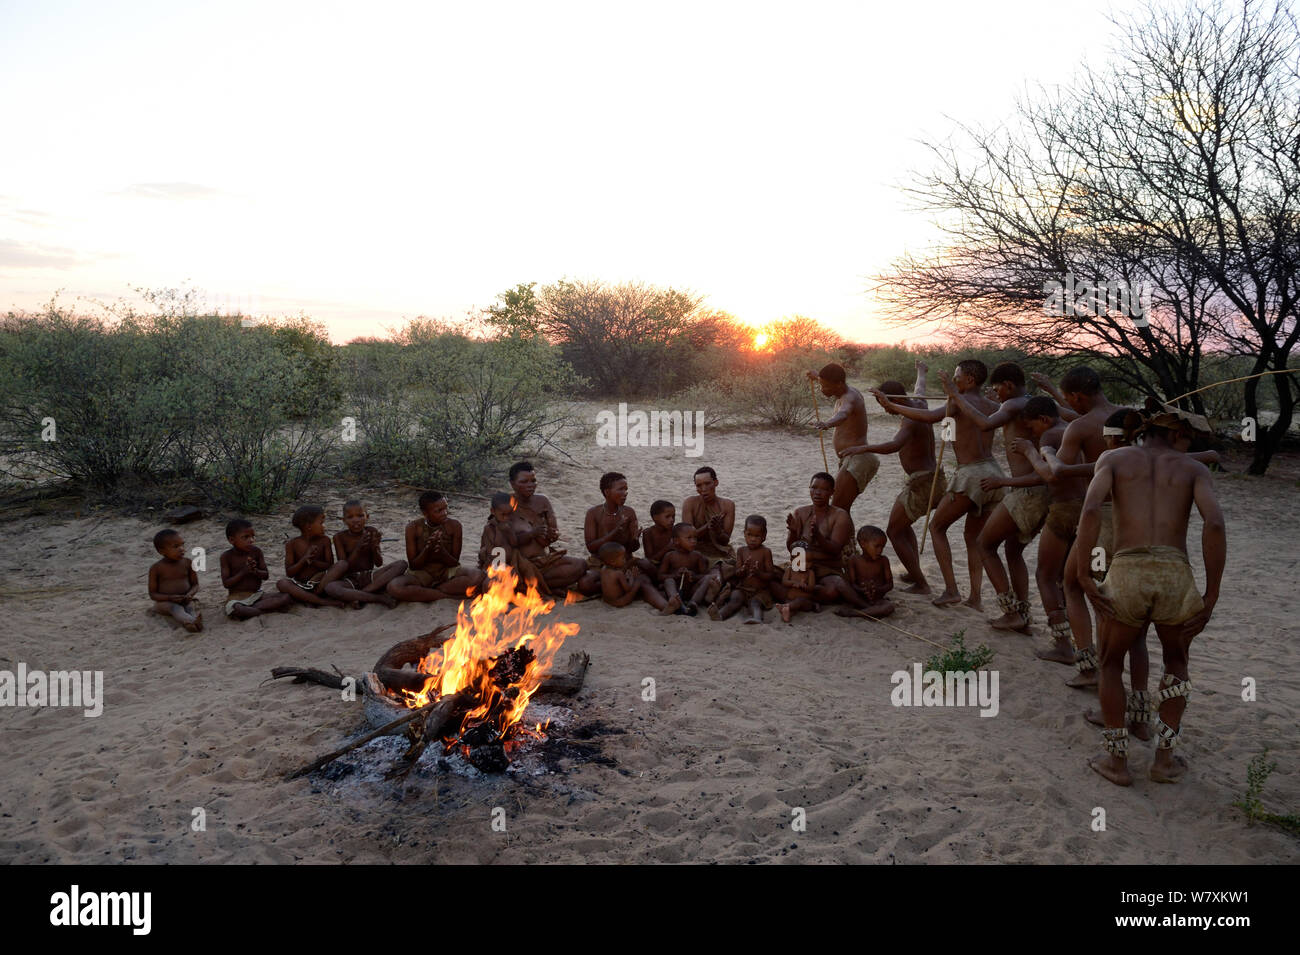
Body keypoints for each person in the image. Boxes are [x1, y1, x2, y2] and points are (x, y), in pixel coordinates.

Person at [1077, 404, 1225, 786]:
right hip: (1175, 572)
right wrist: (1211, 593)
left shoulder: (1113, 458)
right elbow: (1214, 522)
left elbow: (1092, 507)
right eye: (1188, 437)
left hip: (1128, 569)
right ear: (1177, 434)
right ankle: (1163, 760)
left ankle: (1117, 761)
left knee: (1111, 664)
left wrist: (1083, 573)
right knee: (1176, 664)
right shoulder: (1194, 469)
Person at [872, 359, 1001, 608]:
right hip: (993, 472)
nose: (953, 380)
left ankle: (951, 590)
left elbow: (929, 416)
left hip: (971, 474)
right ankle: (975, 597)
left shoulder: (957, 401)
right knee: (973, 538)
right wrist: (921, 372)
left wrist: (892, 406)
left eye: (957, 376)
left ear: (970, 380)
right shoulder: (991, 403)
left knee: (937, 528)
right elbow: (922, 398)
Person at [1030, 366, 1121, 688]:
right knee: (1102, 589)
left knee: (1078, 586)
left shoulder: (1081, 427)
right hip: (1134, 517)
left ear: (1078, 397)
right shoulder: (1129, 417)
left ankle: (1090, 666)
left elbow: (1058, 473)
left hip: (1098, 516)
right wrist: (1055, 391)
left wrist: (1040, 453)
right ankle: (1101, 669)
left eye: (1070, 400)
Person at [967, 393, 1062, 632]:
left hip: (1028, 495)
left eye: (1031, 426)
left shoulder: (1028, 417)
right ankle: (1022, 613)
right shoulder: (1062, 423)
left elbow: (985, 423)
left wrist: (955, 395)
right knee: (1013, 550)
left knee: (984, 545)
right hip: (1044, 498)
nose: (1030, 430)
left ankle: (1011, 612)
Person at [504, 462, 595, 595]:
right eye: (524, 482)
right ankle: (541, 586)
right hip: (520, 565)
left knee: (580, 565)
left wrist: (552, 535)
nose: (530, 485)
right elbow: (502, 541)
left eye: (533, 481)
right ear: (512, 484)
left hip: (545, 561)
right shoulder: (505, 505)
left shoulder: (542, 501)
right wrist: (531, 534)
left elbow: (552, 534)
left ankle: (538, 586)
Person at [783, 472, 869, 609]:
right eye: (814, 488)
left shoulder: (840, 516)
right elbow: (793, 549)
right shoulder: (800, 512)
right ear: (809, 489)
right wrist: (793, 533)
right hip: (801, 568)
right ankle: (807, 596)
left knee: (832, 590)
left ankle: (804, 595)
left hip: (827, 568)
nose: (817, 492)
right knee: (771, 579)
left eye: (824, 489)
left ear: (832, 492)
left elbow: (835, 551)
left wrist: (818, 536)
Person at [386, 492, 485, 602]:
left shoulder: (454, 526)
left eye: (446, 508)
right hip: (421, 574)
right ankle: (449, 596)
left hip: (447, 573)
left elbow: (454, 563)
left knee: (478, 576)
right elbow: (414, 565)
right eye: (439, 511)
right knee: (394, 587)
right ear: (425, 513)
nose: (445, 513)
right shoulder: (413, 528)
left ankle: (432, 592)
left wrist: (441, 551)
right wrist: (428, 549)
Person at [807, 362, 876, 512]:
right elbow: (825, 380)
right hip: (851, 458)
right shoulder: (841, 389)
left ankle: (847, 536)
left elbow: (843, 413)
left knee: (838, 509)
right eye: (821, 384)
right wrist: (816, 376)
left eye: (825, 386)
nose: (822, 389)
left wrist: (827, 423)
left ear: (838, 384)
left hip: (858, 459)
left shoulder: (850, 398)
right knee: (841, 509)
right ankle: (847, 536)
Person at [326, 500, 401, 608]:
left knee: (401, 564)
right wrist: (358, 548)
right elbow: (343, 566)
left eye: (360, 515)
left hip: (370, 576)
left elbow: (379, 564)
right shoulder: (339, 537)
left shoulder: (371, 531)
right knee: (331, 588)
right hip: (350, 579)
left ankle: (361, 595)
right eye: (350, 517)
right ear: (344, 520)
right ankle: (378, 598)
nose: (356, 520)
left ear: (367, 516)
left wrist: (375, 548)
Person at [220, 519, 293, 619]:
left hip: (257, 595)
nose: (251, 540)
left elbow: (266, 576)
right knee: (237, 608)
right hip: (237, 598)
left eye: (252, 536)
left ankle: (254, 610)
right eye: (245, 537)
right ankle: (263, 610)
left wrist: (255, 571)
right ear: (232, 540)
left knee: (286, 597)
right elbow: (227, 583)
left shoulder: (256, 552)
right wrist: (243, 572)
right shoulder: (226, 557)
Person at [277, 505, 348, 608]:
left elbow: (329, 565)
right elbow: (289, 572)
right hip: (301, 585)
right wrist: (304, 559)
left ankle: (312, 597)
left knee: (342, 564)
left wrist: (313, 561)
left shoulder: (325, 541)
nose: (324, 526)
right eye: (321, 523)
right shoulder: (292, 544)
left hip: (321, 583)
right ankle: (322, 601)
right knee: (281, 583)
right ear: (309, 526)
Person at [708, 515, 776, 623]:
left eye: (757, 536)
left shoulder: (765, 552)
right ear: (744, 533)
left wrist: (759, 573)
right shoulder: (741, 551)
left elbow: (771, 575)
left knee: (755, 603)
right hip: (743, 589)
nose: (753, 539)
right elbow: (737, 572)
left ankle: (757, 618)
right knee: (734, 600)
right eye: (749, 535)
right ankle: (720, 615)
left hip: (760, 591)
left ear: (764, 536)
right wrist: (742, 570)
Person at [584, 472, 653, 577]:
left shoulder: (629, 512)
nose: (625, 493)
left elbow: (632, 548)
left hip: (624, 561)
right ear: (607, 492)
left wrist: (635, 540)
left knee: (647, 566)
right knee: (587, 582)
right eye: (620, 489)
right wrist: (615, 532)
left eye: (626, 489)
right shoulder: (593, 513)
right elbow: (591, 547)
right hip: (599, 562)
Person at [478, 491, 547, 594]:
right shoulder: (490, 528)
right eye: (503, 515)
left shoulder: (509, 525)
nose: (506, 518)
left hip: (512, 562)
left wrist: (509, 532)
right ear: (493, 511)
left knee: (527, 570)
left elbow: (514, 543)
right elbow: (491, 550)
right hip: (496, 562)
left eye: (509, 514)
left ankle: (534, 592)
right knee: (492, 584)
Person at [680, 466, 736, 591]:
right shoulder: (690, 503)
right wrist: (707, 527)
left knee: (729, 567)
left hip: (719, 551)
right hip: (696, 549)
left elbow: (725, 541)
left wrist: (717, 530)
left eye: (707, 484)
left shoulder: (727, 505)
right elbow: (688, 538)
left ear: (716, 483)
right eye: (699, 486)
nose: (703, 489)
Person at [599, 542, 679, 614]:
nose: (625, 560)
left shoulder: (603, 569)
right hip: (620, 601)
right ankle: (664, 607)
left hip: (608, 601)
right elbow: (628, 589)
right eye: (622, 558)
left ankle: (654, 594)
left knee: (641, 581)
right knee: (640, 580)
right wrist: (632, 578)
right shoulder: (618, 573)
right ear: (612, 561)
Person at [148, 528, 203, 631]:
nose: (182, 549)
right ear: (161, 551)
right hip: (165, 603)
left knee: (190, 607)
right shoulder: (156, 568)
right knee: (176, 609)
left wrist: (190, 594)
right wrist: (170, 597)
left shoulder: (188, 563)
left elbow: (195, 584)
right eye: (176, 546)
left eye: (182, 545)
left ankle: (191, 623)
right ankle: (191, 620)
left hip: (185, 599)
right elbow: (153, 594)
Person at [839, 525, 896, 619]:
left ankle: (855, 613)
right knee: (842, 586)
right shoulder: (854, 560)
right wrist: (862, 590)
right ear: (863, 544)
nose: (880, 550)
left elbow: (890, 584)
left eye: (882, 547)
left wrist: (878, 590)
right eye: (877, 546)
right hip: (859, 598)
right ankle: (870, 610)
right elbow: (852, 584)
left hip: (877, 599)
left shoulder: (883, 561)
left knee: (889, 607)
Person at [658, 523, 713, 615]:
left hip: (692, 591)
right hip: (676, 590)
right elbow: (660, 576)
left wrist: (693, 576)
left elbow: (705, 575)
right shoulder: (670, 556)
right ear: (676, 541)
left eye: (695, 538)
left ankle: (693, 603)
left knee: (708, 578)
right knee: (669, 581)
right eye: (689, 538)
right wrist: (675, 575)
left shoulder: (697, 556)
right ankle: (675, 602)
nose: (693, 541)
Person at [774, 539, 820, 624]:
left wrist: (804, 586)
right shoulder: (790, 570)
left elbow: (811, 588)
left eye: (809, 561)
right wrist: (793, 583)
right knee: (792, 607)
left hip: (805, 602)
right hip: (790, 599)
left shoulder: (810, 573)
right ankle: (787, 613)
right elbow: (784, 582)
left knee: (799, 601)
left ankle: (785, 607)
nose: (807, 564)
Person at [641, 500, 677, 577]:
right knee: (643, 563)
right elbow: (650, 560)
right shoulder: (648, 533)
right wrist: (668, 548)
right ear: (655, 518)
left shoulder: (675, 531)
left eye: (673, 516)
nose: (672, 520)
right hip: (655, 568)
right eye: (667, 517)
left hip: (672, 568)